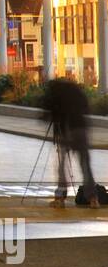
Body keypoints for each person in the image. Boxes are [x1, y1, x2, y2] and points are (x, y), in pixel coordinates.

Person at [43, 77, 98, 209]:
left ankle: (60, 197)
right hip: (81, 129)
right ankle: (93, 198)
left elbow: (50, 113)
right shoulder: (77, 92)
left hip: (66, 130)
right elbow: (86, 108)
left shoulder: (56, 95)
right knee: (85, 164)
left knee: (62, 165)